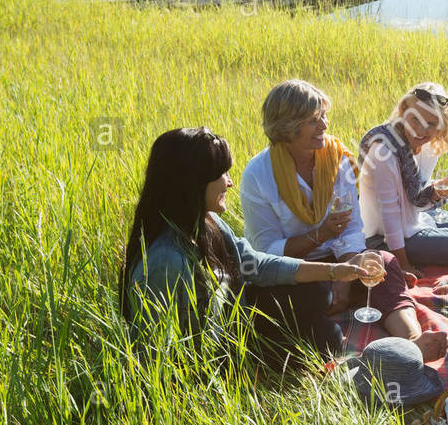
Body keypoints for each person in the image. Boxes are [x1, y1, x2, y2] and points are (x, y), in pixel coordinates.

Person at [120, 127, 368, 365]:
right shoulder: (166, 261)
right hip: (217, 352)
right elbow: (152, 351)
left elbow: (255, 265)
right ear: (192, 182)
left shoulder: (208, 222)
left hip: (236, 320)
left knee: (317, 296)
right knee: (327, 337)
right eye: (222, 175)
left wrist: (337, 271)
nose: (229, 182)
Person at [239, 79, 446, 348]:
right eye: (314, 120)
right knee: (311, 299)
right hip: (295, 271)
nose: (324, 126)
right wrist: (320, 238)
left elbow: (350, 228)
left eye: (323, 116)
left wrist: (346, 277)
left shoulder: (337, 160)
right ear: (287, 127)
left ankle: (412, 342)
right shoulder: (257, 175)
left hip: (339, 261)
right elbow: (267, 252)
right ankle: (331, 318)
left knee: (382, 262)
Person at [358, 82, 448, 277]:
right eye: (415, 119)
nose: (420, 130)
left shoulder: (428, 147)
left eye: (431, 124)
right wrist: (401, 265)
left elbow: (414, 196)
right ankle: (385, 254)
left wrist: (435, 192)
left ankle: (430, 241)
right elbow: (390, 215)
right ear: (403, 112)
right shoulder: (383, 152)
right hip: (384, 235)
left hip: (416, 218)